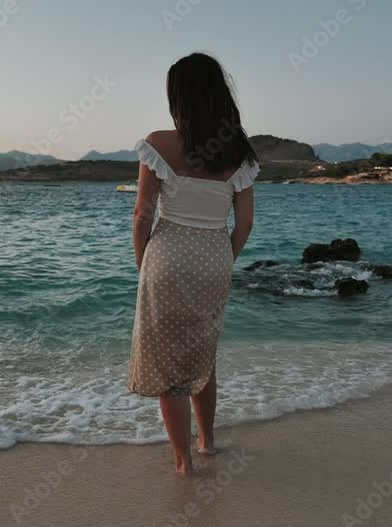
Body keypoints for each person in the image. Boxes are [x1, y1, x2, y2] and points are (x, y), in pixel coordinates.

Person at [128, 52, 259, 474]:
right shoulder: (241, 153)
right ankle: (207, 442)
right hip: (214, 257)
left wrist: (142, 263)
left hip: (167, 255)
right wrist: (223, 258)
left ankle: (183, 462)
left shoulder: (159, 144)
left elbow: (142, 216)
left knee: (169, 365)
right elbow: (245, 224)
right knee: (204, 356)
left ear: (178, 96)